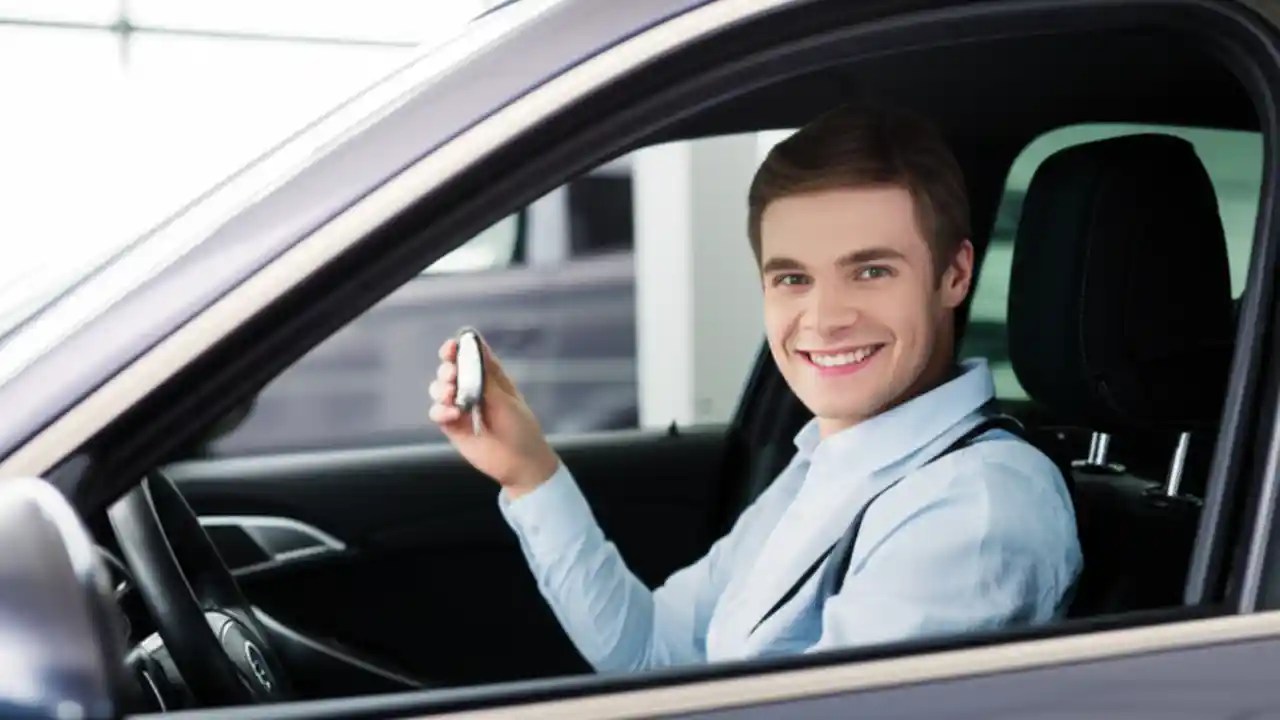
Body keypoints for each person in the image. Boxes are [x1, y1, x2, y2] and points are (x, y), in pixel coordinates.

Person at [428, 105, 1082, 671]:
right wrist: (528, 470)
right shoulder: (837, 461)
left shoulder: (973, 511)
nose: (825, 319)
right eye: (793, 279)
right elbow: (653, 653)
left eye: (871, 270)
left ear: (954, 274)